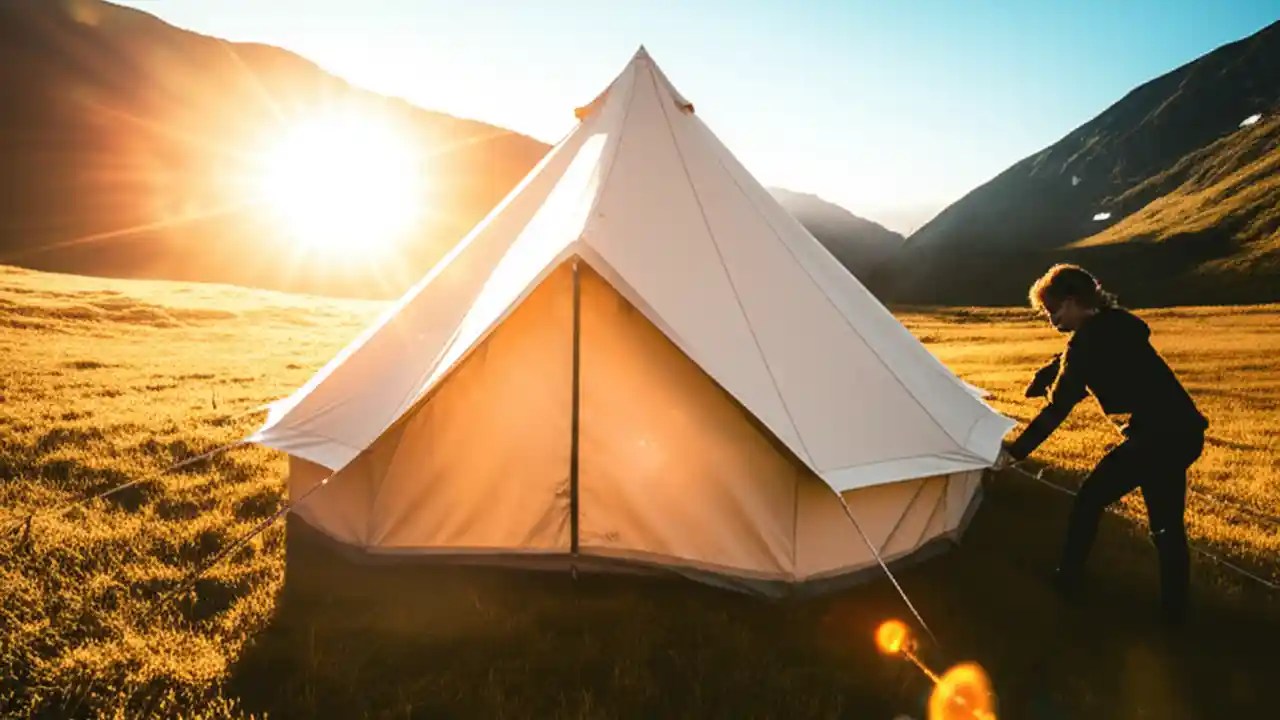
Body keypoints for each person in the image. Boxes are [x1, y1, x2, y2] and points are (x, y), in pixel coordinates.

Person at [994, 264, 1208, 626]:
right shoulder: (1117, 324)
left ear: (1074, 301)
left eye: (1054, 311)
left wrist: (1014, 453)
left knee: (1090, 498)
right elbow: (1072, 359)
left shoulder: (1085, 345)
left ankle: (1067, 582)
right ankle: (1176, 614)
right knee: (1166, 525)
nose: (1052, 320)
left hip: (1155, 439)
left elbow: (1058, 407)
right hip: (1184, 433)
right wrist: (1047, 374)